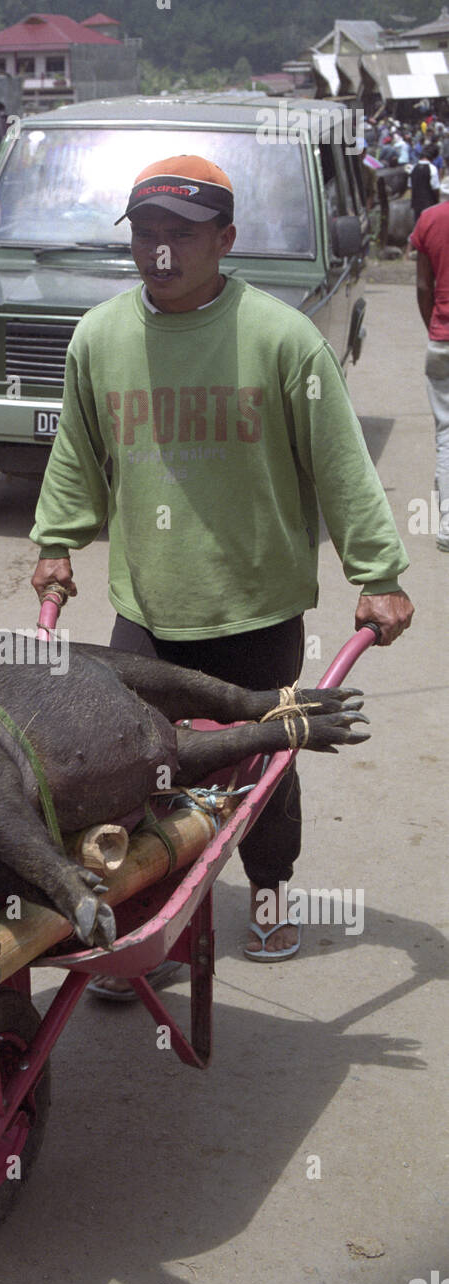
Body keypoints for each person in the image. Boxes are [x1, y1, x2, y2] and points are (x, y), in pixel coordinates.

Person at [29, 155, 414, 985]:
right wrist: (57, 540)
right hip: (149, 608)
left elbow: (338, 464)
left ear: (224, 240)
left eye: (182, 234)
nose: (160, 252)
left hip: (255, 605)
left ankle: (269, 899)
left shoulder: (279, 337)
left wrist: (377, 570)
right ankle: (156, 932)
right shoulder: (100, 337)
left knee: (263, 765)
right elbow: (76, 455)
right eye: (145, 234)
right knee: (140, 773)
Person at [410, 195, 449, 551]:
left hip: (442, 339)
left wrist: (433, 328)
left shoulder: (430, 219)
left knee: (447, 434)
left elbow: (424, 286)